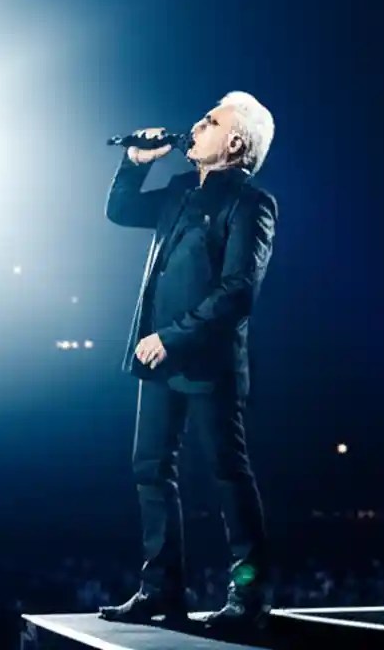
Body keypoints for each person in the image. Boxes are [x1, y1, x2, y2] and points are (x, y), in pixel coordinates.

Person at [98, 91, 278, 632]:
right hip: (156, 356)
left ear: (235, 142)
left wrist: (172, 338)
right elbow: (121, 210)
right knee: (150, 468)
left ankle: (249, 594)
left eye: (211, 120)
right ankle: (160, 588)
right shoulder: (179, 189)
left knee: (227, 472)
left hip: (206, 360)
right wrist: (134, 163)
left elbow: (238, 292)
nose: (196, 125)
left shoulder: (250, 203)